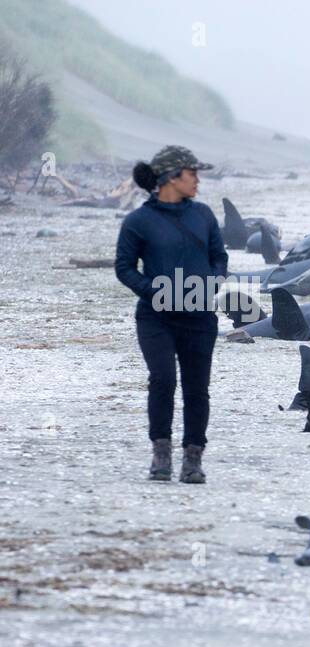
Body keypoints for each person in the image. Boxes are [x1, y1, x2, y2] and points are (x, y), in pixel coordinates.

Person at [114, 145, 227, 483]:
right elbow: (124, 267)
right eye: (192, 175)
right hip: (155, 317)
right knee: (162, 380)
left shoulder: (203, 215)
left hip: (199, 316)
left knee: (197, 388)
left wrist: (211, 284)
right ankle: (160, 452)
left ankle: (193, 458)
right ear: (171, 178)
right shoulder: (138, 220)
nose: (197, 182)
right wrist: (153, 291)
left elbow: (219, 257)